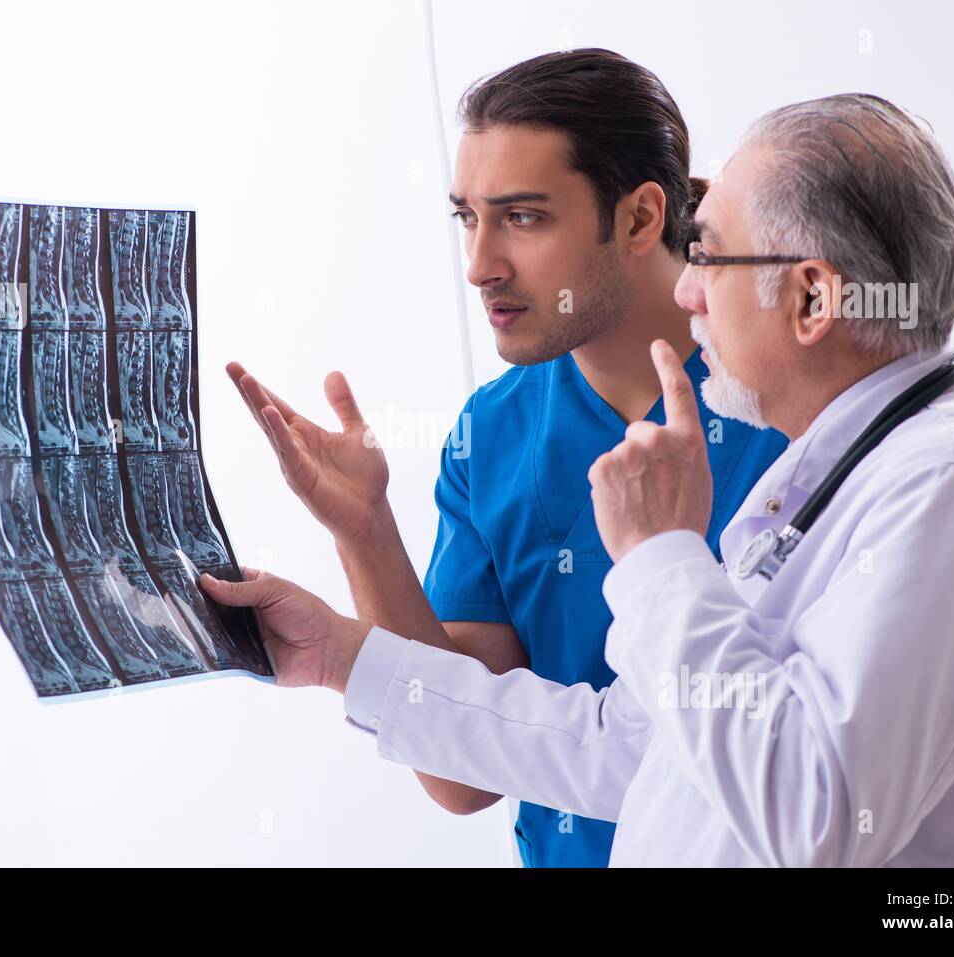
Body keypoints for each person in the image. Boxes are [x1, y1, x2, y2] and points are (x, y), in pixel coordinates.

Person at [203, 92, 954, 866]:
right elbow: (627, 746)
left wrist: (662, 559)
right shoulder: (838, 475)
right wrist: (342, 656)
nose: (690, 289)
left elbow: (820, 813)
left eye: (713, 255)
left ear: (811, 300)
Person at [224, 49, 789, 868]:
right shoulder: (488, 435)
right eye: (467, 217)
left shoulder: (790, 389)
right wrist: (366, 531)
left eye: (523, 217)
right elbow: (462, 775)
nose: (479, 263)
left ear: (638, 218)